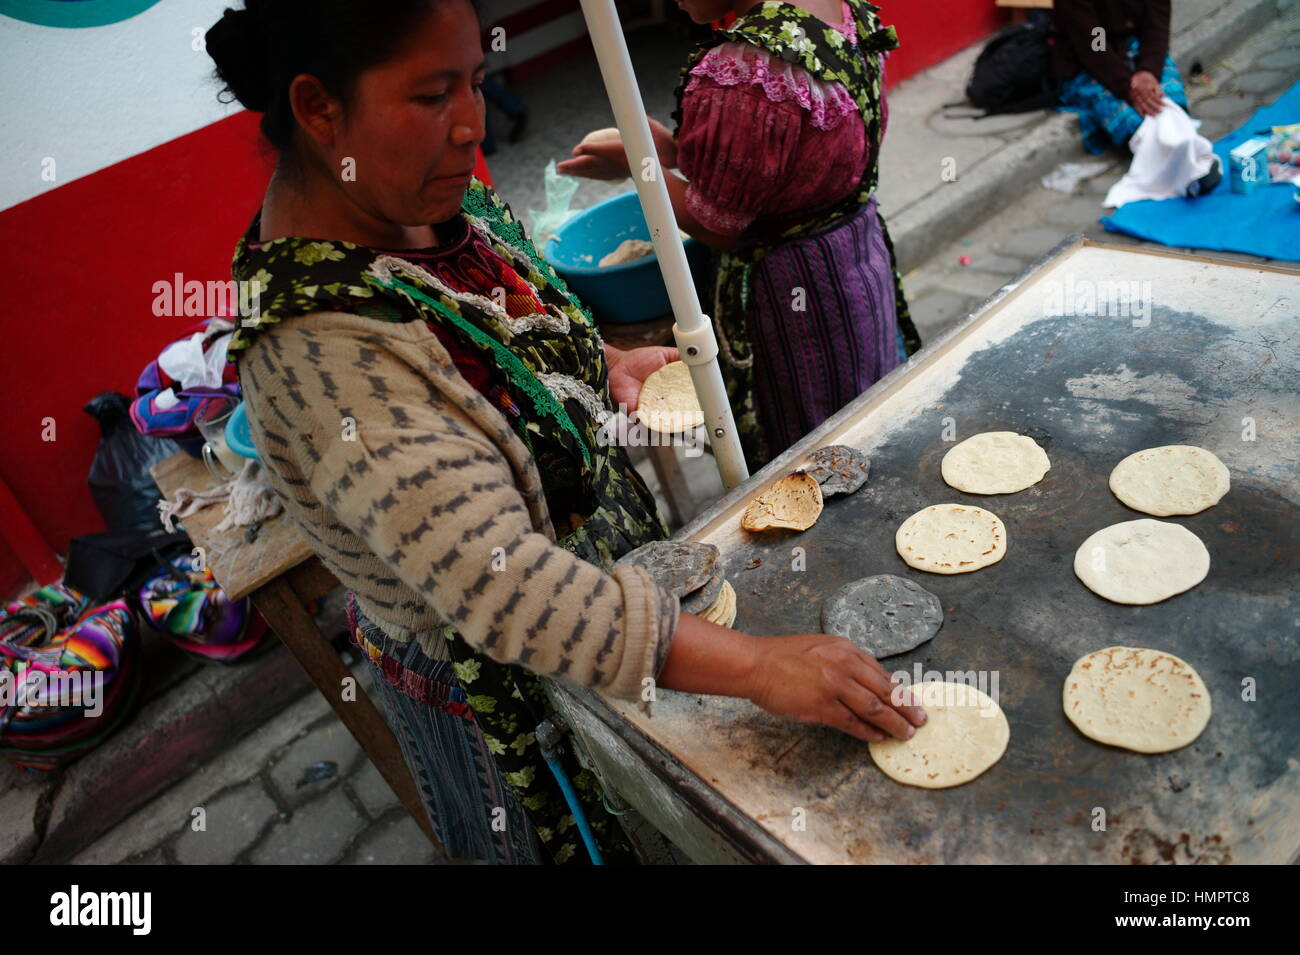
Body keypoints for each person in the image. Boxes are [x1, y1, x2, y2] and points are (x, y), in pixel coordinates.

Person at [204, 0, 925, 865]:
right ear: (319, 108)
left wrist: (597, 369)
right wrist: (763, 668)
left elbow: (514, 318)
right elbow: (513, 594)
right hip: (520, 666)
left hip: (620, 596)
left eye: (475, 81)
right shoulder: (321, 357)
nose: (472, 125)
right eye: (434, 94)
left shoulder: (424, 194)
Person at [560, 0, 922, 469]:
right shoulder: (833, 10)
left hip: (795, 296)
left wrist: (638, 162)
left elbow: (716, 223)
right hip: (853, 258)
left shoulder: (747, 68)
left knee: (813, 446)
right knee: (870, 418)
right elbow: (777, 162)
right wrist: (667, 151)